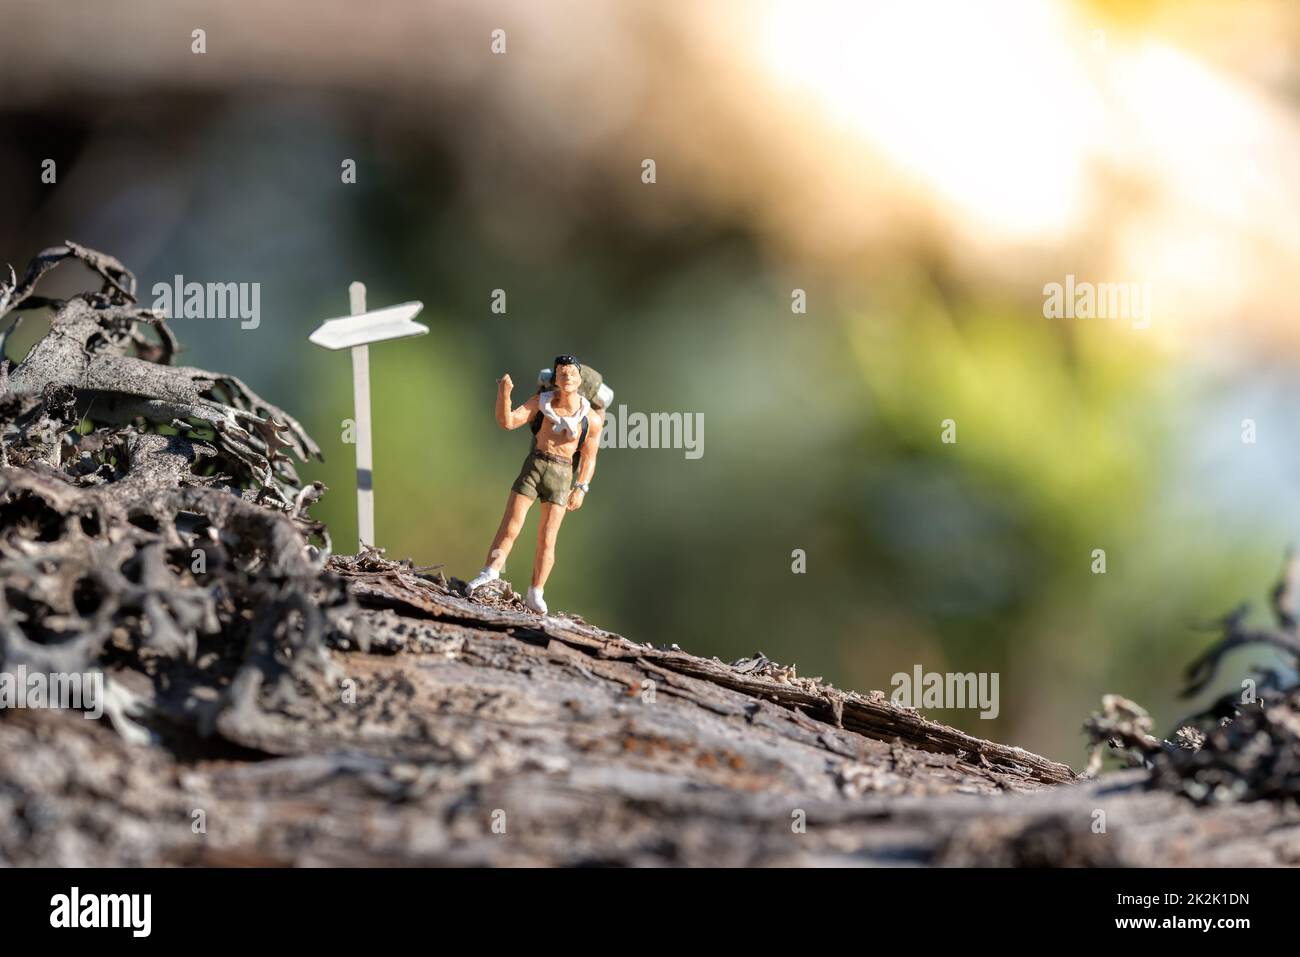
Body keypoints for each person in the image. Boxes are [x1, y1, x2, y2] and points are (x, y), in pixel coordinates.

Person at [465, 355, 602, 614]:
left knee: (548, 538)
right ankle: (490, 572)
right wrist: (504, 393)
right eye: (562, 373)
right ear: (555, 378)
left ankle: (536, 591)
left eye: (572, 373)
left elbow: (589, 458)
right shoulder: (542, 403)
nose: (567, 377)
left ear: (580, 379)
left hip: (561, 476)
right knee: (511, 524)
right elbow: (507, 422)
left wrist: (581, 487)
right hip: (535, 465)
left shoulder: (590, 419)